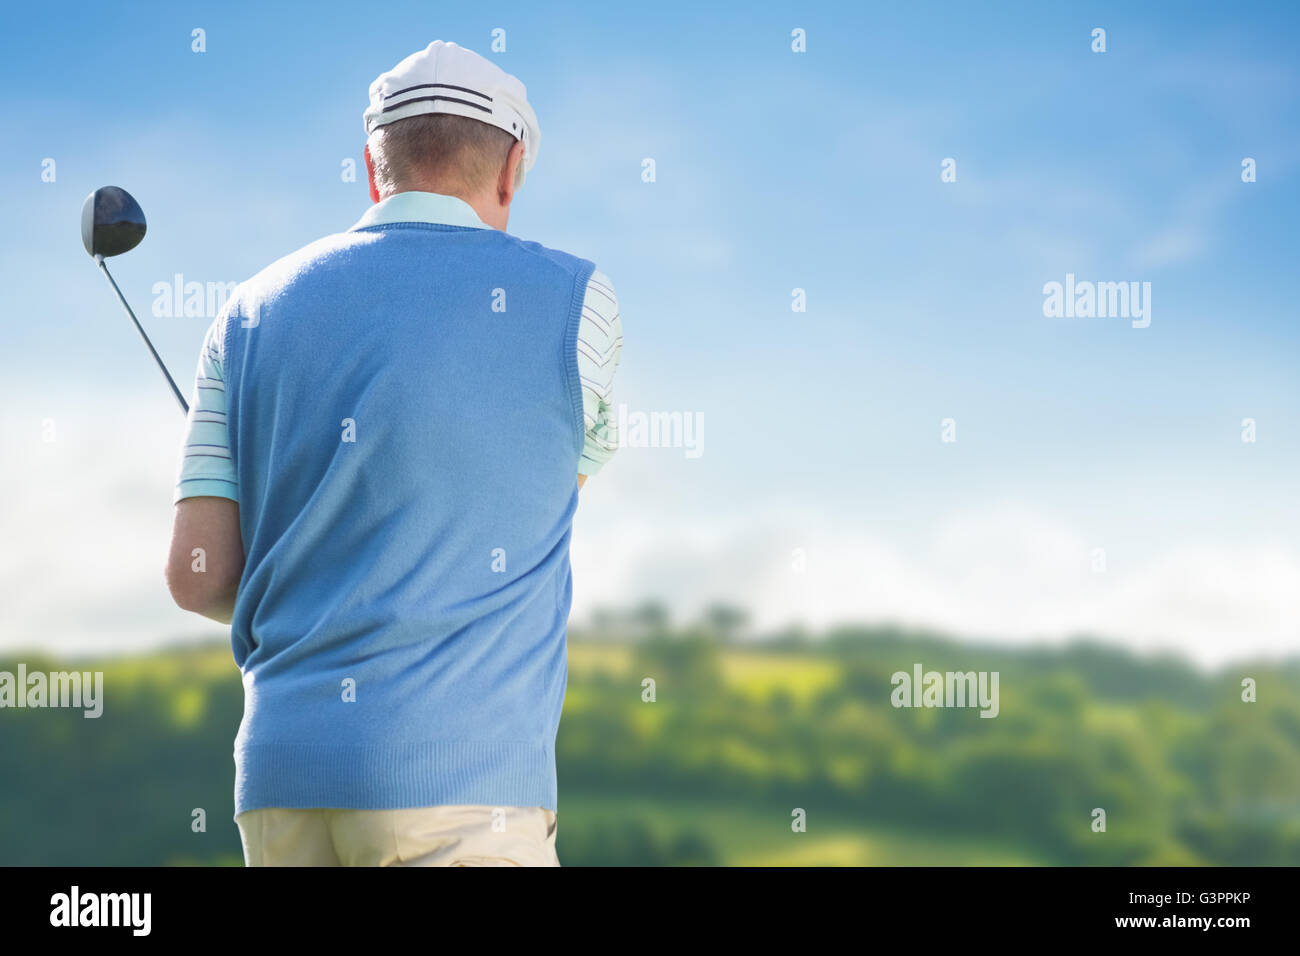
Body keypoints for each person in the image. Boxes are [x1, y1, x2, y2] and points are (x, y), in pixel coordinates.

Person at [164, 40, 622, 866]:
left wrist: (310, 580)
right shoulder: (578, 300)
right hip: (467, 791)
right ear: (512, 169)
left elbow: (197, 575)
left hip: (281, 785)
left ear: (374, 171)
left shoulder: (245, 312)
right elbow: (537, 491)